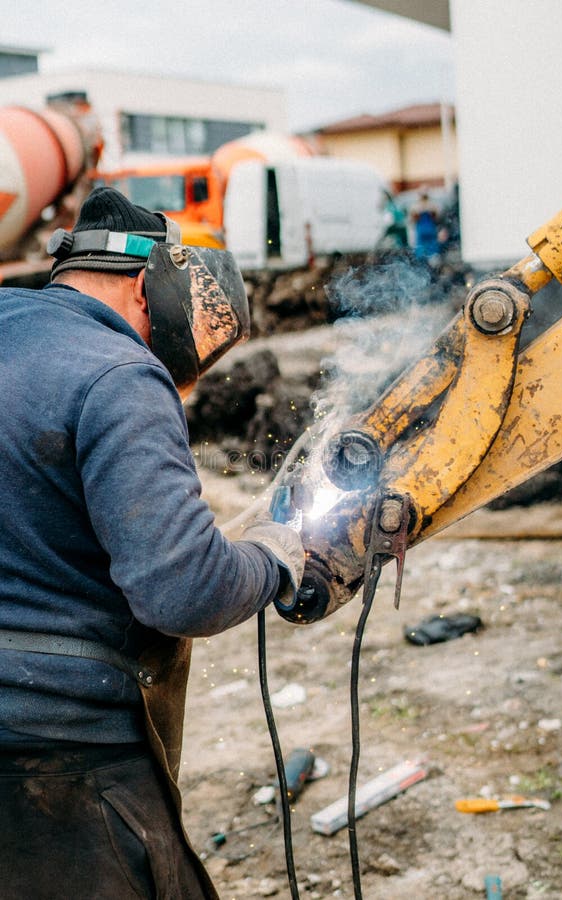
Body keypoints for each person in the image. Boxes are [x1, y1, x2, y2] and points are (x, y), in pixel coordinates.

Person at [0, 186, 305, 898]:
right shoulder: (119, 373)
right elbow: (184, 590)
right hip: (61, 762)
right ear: (147, 286)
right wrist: (272, 559)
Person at [409, 186, 441, 266]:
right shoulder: (432, 205)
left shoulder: (416, 206)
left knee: (423, 247)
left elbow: (413, 219)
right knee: (430, 247)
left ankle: (423, 263)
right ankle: (430, 262)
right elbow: (436, 218)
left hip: (423, 230)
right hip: (429, 229)